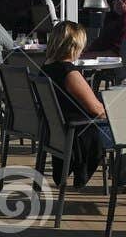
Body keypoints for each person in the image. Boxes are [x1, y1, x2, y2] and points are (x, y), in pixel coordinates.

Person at [41, 20, 109, 185]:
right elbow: (97, 109)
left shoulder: (45, 69)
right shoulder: (69, 73)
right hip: (79, 135)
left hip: (57, 133)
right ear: (74, 46)